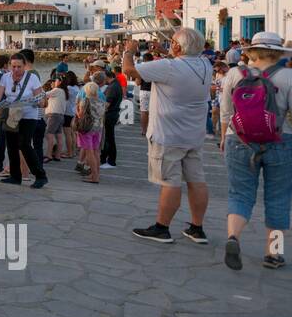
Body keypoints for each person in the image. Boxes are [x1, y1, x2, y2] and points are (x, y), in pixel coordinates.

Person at [217, 33, 292, 271]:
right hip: (281, 140)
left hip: (238, 139)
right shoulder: (291, 76)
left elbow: (225, 112)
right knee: (279, 198)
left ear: (250, 52)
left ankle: (233, 237)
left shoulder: (234, 74)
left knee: (239, 194)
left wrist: (223, 137)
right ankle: (274, 253)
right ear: (280, 53)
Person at [123, 27, 211, 245]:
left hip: (168, 134)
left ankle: (162, 228)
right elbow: (181, 63)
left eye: (172, 41)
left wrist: (128, 51)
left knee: (170, 181)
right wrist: (167, 51)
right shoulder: (205, 65)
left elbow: (129, 70)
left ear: (178, 46)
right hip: (194, 134)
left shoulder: (168, 67)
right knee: (196, 180)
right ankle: (197, 228)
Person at [0, 54, 48, 189]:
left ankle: (40, 176)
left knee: (24, 144)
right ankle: (15, 177)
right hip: (12, 114)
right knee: (11, 145)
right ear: (10, 65)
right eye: (13, 66)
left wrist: (40, 101)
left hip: (29, 115)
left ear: (24, 66)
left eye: (19, 67)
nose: (16, 69)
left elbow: (40, 95)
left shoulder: (32, 78)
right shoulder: (5, 77)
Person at [74, 82, 105, 183]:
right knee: (96, 152)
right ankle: (96, 174)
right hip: (98, 128)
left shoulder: (85, 101)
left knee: (89, 152)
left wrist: (76, 108)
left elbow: (80, 115)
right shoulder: (101, 101)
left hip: (87, 129)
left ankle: (94, 177)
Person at [100, 68, 123, 169]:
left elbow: (107, 104)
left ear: (106, 77)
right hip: (114, 113)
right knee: (108, 138)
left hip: (110, 114)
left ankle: (111, 161)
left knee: (109, 138)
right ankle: (104, 158)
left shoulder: (112, 87)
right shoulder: (116, 84)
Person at [42, 79, 66, 163]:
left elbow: (44, 94)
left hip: (54, 115)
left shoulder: (57, 90)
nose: (53, 83)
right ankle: (57, 155)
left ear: (59, 82)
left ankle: (48, 155)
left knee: (49, 134)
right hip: (60, 115)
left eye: (55, 81)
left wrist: (38, 89)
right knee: (59, 135)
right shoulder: (63, 91)